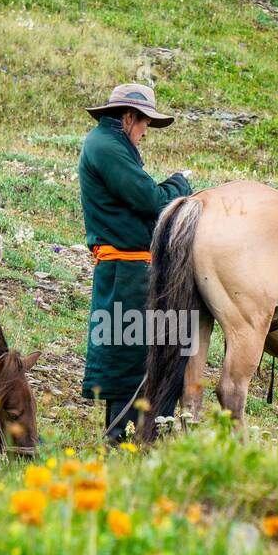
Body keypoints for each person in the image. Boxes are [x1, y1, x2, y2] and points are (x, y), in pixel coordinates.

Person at [78, 83, 192, 441]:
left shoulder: (108, 144)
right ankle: (122, 436)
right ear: (129, 118)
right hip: (127, 272)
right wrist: (179, 185)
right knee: (130, 351)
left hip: (129, 270)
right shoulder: (108, 147)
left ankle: (138, 433)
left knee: (135, 346)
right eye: (144, 125)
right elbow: (151, 198)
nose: (145, 134)